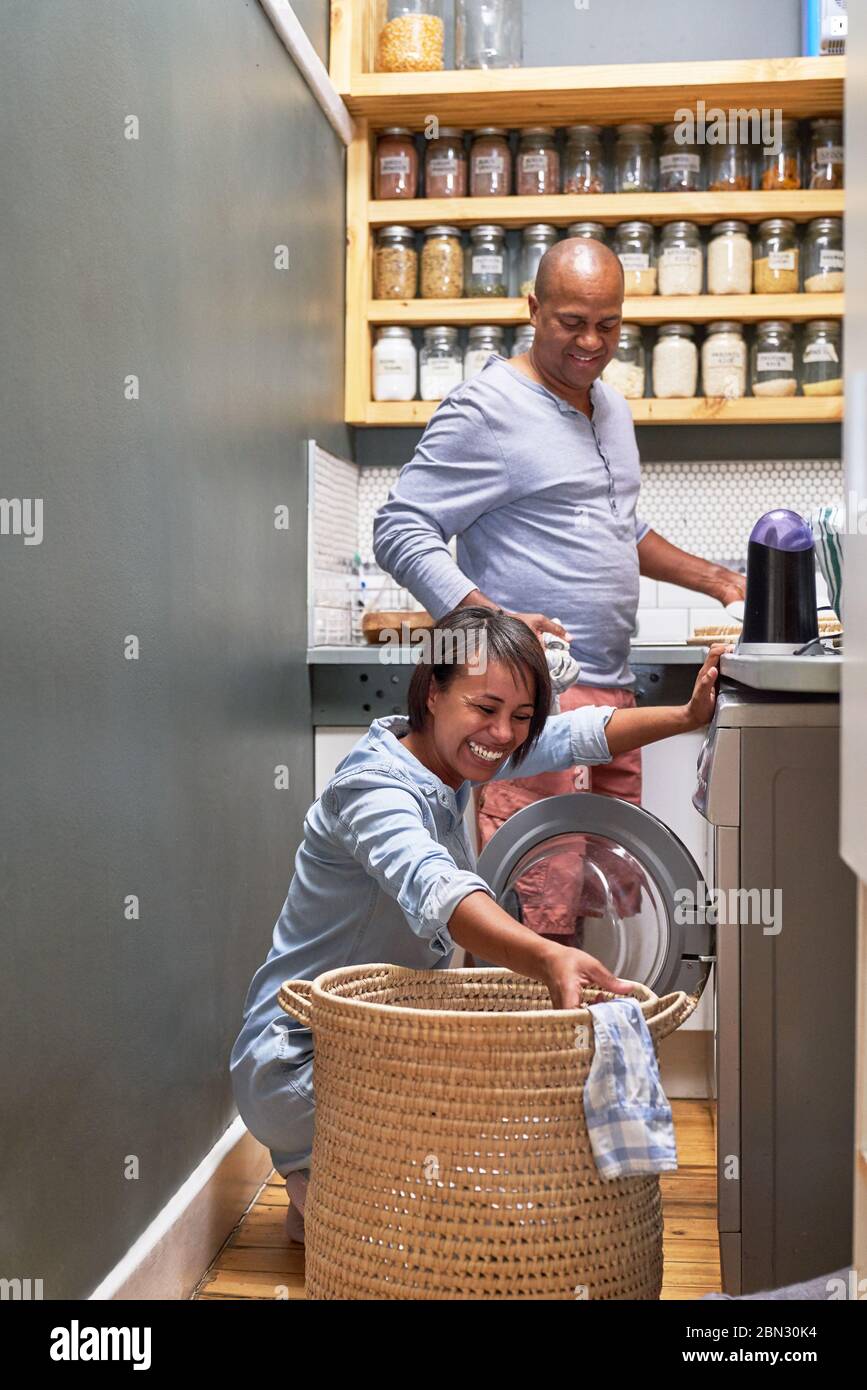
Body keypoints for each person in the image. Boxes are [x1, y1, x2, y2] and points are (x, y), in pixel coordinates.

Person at [229, 607, 728, 1242]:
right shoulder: (375, 789)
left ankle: (326, 1189)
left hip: (364, 1050)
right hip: (299, 1063)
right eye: (485, 708)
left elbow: (579, 734)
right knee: (491, 1151)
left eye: (521, 716)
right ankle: (337, 1182)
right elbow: (439, 888)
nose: (503, 733)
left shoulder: (450, 758)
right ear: (432, 693)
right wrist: (548, 956)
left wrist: (687, 716)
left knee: (449, 1192)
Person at [372, 236, 745, 944]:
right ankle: (513, 1023)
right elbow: (400, 527)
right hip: (530, 701)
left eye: (607, 324)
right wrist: (493, 622)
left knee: (593, 903)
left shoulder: (610, 408)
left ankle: (584, 1025)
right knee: (530, 915)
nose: (591, 342)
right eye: (571, 321)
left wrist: (720, 580)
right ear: (533, 309)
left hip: (611, 697)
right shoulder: (487, 409)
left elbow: (618, 528)